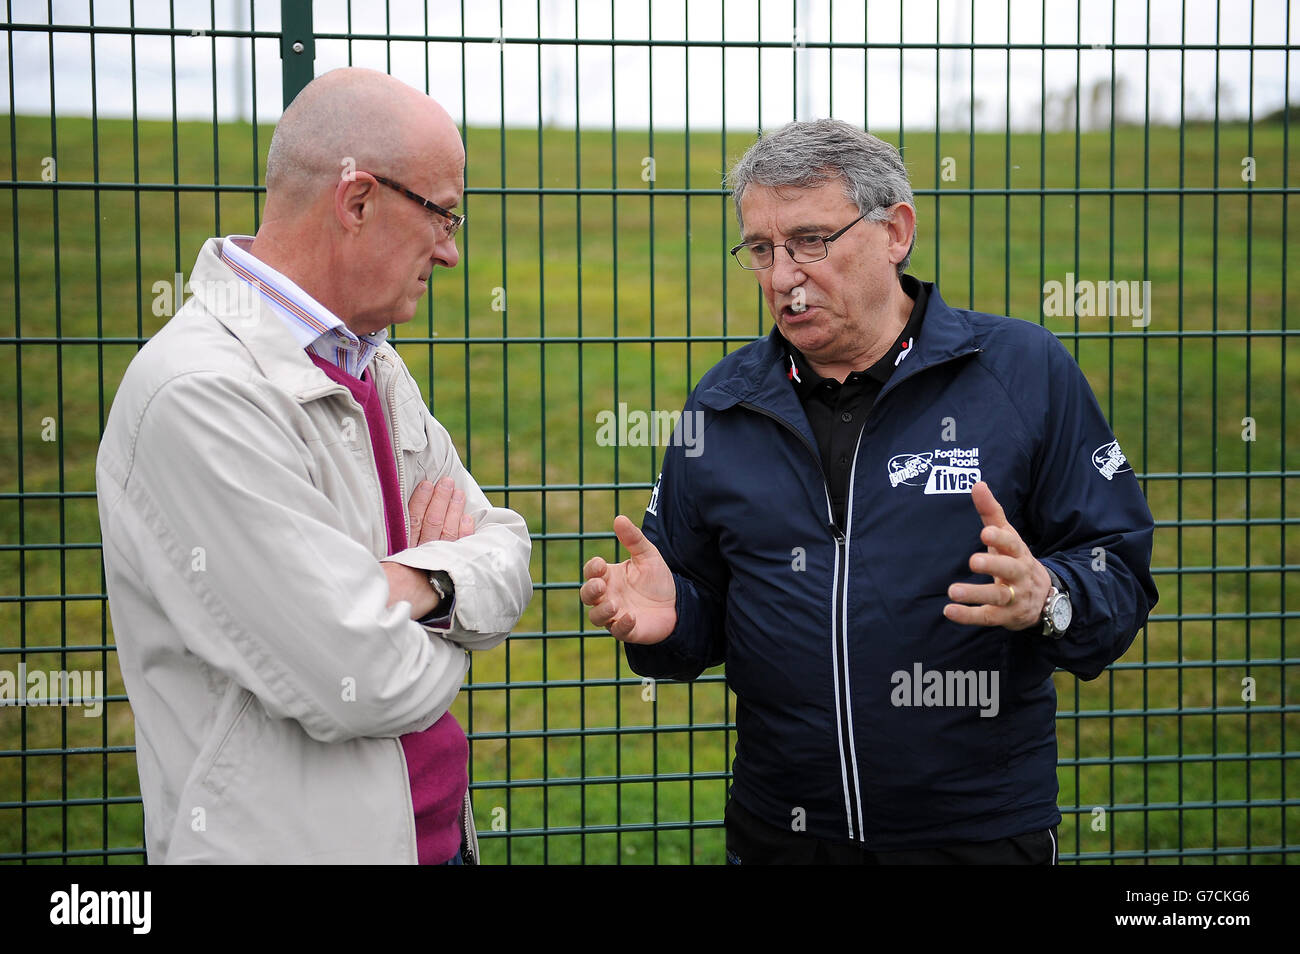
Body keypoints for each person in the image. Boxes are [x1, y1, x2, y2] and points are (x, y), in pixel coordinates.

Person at [580, 118, 1158, 864]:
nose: (784, 274)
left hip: (977, 834)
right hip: (781, 830)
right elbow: (701, 619)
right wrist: (671, 618)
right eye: (761, 248)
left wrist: (1048, 596)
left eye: (812, 240)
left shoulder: (1021, 371)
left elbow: (1119, 569)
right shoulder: (721, 405)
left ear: (896, 231)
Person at [96, 68, 532, 864]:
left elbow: (506, 548)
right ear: (357, 200)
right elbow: (364, 680)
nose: (451, 252)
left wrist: (417, 585)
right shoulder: (199, 396)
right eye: (442, 214)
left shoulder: (369, 363)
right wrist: (454, 601)